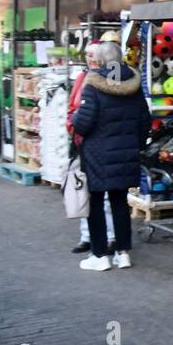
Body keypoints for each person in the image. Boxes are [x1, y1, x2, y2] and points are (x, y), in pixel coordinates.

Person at [71, 40, 150, 271]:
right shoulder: (134, 87)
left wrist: (75, 121)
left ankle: (99, 256)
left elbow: (83, 123)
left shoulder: (93, 85)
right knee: (119, 202)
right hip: (126, 154)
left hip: (97, 154)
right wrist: (133, 144)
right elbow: (144, 121)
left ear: (102, 61)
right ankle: (123, 253)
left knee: (95, 203)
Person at [67, 44, 115, 255]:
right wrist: (71, 125)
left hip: (100, 142)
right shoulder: (81, 78)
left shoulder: (110, 80)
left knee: (103, 195)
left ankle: (111, 237)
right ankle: (87, 236)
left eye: (95, 55)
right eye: (88, 55)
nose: (91, 59)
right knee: (82, 189)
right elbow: (72, 107)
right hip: (81, 141)